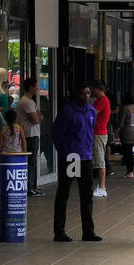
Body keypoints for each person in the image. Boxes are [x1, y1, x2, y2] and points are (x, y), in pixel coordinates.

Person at [52, 85, 102, 243]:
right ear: (77, 94)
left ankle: (88, 232)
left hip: (86, 157)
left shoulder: (92, 111)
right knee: (64, 193)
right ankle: (59, 232)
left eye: (88, 92)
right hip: (71, 157)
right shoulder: (68, 112)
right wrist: (65, 153)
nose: (86, 95)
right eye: (83, 93)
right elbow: (58, 135)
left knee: (86, 195)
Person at [16, 80, 44, 196]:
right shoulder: (26, 102)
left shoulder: (30, 101)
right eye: (36, 86)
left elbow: (39, 115)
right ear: (31, 87)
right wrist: (39, 117)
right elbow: (36, 119)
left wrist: (39, 116)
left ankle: (32, 186)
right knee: (30, 162)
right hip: (29, 135)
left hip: (33, 134)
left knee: (33, 161)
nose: (37, 88)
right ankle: (29, 188)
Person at [89, 82, 111, 198]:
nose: (91, 92)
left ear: (98, 89)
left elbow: (90, 113)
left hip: (98, 133)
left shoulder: (102, 101)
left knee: (99, 161)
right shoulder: (101, 100)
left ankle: (102, 187)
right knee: (98, 159)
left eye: (92, 90)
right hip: (98, 133)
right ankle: (101, 187)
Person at [117, 91, 134, 179]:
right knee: (131, 152)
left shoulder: (125, 108)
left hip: (126, 134)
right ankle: (131, 171)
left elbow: (121, 123)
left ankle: (130, 171)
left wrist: (117, 132)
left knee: (127, 153)